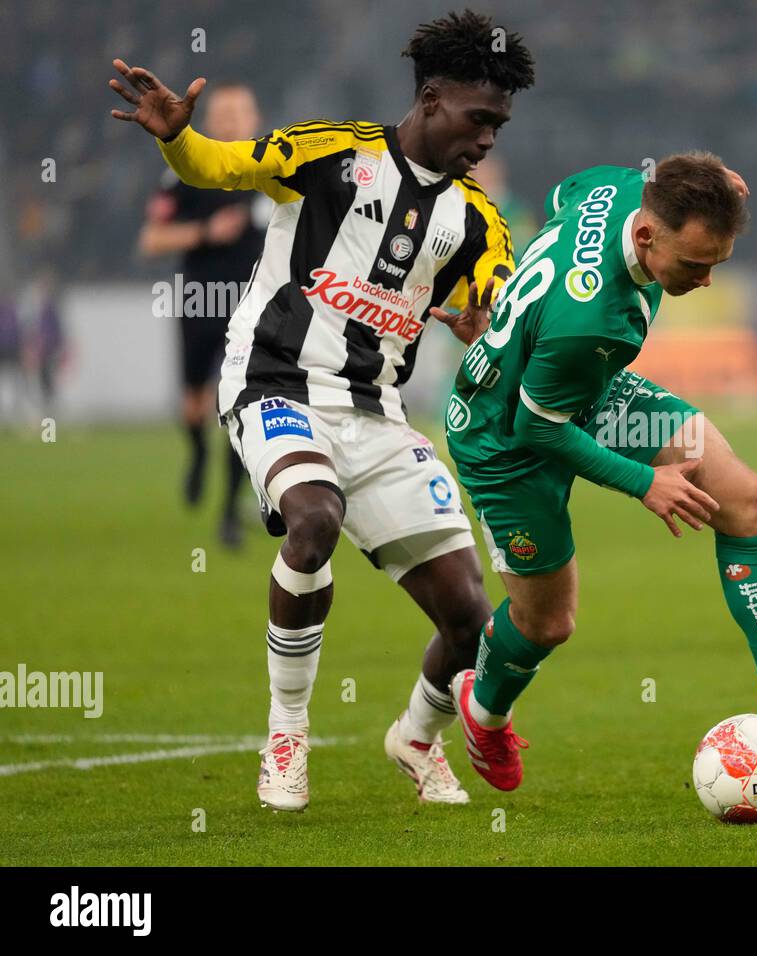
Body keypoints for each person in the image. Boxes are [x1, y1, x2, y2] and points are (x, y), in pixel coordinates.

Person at [108, 10, 535, 811]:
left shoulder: (478, 221)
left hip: (376, 413)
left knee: (474, 619)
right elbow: (219, 166)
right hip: (273, 379)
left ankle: (414, 736)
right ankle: (287, 733)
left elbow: (492, 304)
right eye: (481, 119)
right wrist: (175, 139)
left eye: (500, 126)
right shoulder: (331, 151)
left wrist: (480, 321)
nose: (488, 139)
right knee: (314, 520)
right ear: (433, 97)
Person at [433, 155, 757, 792]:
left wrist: (712, 177)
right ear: (646, 236)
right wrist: (645, 483)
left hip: (589, 391)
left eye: (716, 265)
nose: (704, 281)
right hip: (503, 436)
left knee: (751, 502)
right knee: (546, 623)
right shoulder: (592, 319)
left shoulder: (621, 188)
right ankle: (484, 710)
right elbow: (537, 428)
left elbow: (568, 192)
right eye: (695, 265)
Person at [138, 84, 269, 548]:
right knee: (194, 399)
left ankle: (230, 512)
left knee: (239, 405)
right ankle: (196, 452)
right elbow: (151, 240)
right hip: (198, 300)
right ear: (210, 120)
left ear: (254, 118)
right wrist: (205, 232)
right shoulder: (185, 174)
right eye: (224, 113)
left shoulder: (271, 171)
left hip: (249, 307)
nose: (233, 121)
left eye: (241, 112)